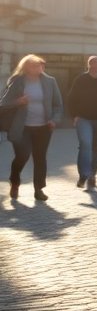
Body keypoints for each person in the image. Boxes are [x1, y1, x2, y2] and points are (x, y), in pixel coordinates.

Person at [2, 55, 64, 202]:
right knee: (22, 156)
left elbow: (58, 104)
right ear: (26, 67)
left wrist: (54, 120)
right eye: (35, 65)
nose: (39, 68)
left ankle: (38, 189)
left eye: (40, 65)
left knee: (40, 157)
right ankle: (15, 181)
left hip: (43, 127)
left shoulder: (50, 81)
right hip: (22, 127)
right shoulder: (16, 81)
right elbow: (4, 103)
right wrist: (19, 101)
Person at [67, 54, 97, 189]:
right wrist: (74, 116)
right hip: (83, 118)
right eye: (92, 64)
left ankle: (92, 175)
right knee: (85, 144)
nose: (95, 66)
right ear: (88, 65)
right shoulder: (81, 79)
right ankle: (84, 174)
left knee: (96, 148)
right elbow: (71, 98)